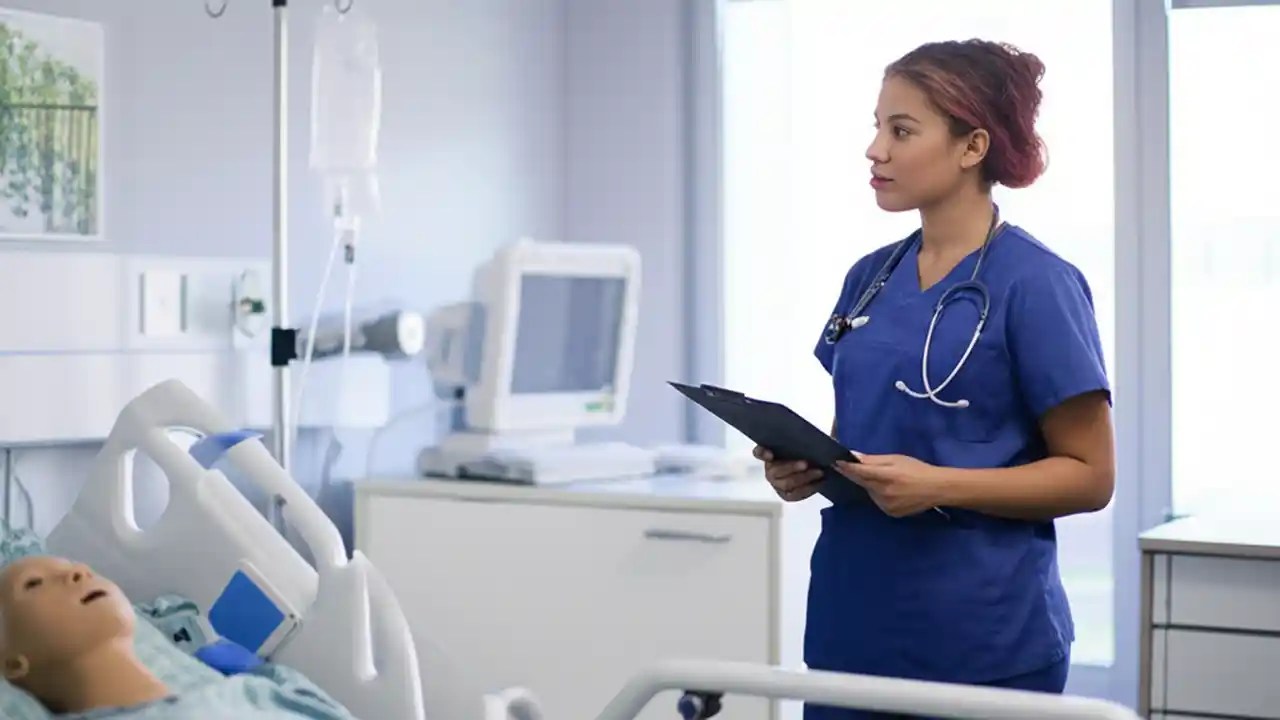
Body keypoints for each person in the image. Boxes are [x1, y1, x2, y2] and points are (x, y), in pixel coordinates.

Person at [753, 39, 1115, 719]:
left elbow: (1091, 477)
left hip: (984, 640)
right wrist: (804, 469)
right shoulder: (869, 277)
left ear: (972, 146)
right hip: (853, 628)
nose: (874, 150)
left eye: (901, 130)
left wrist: (939, 486)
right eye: (877, 127)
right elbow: (859, 439)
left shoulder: (1039, 285)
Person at [0, 554, 355, 719]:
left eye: (79, 567)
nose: (78, 573)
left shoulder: (264, 689)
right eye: (33, 584)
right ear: (12, 663)